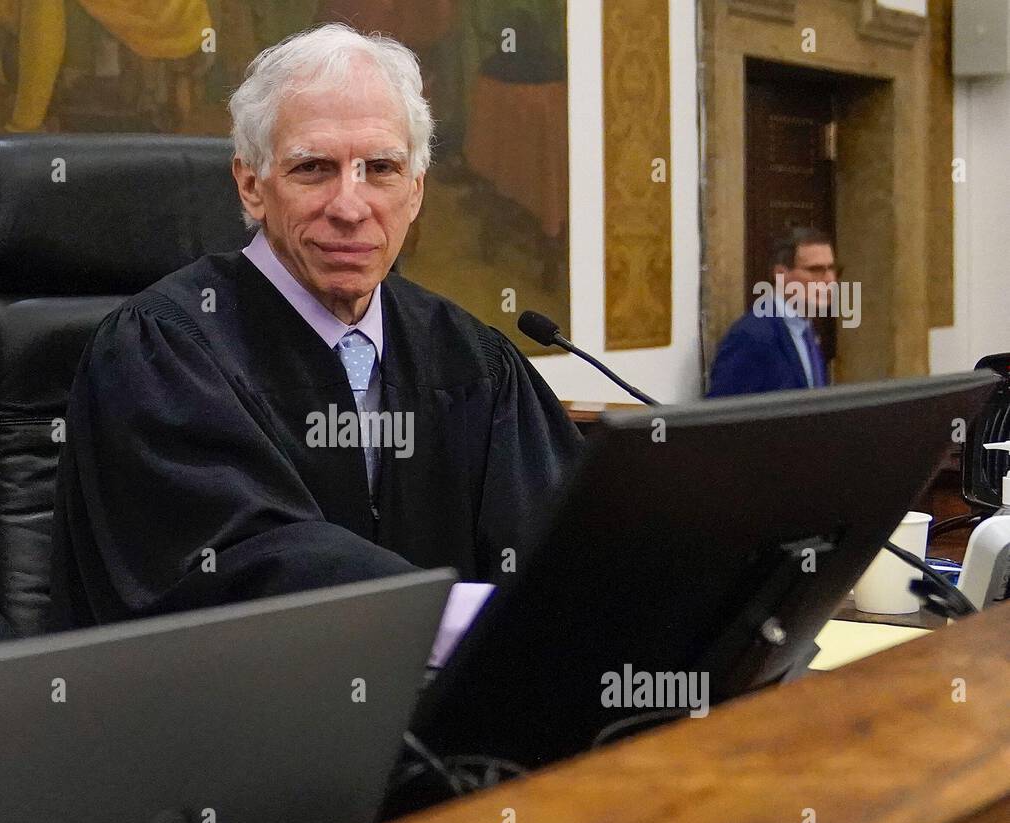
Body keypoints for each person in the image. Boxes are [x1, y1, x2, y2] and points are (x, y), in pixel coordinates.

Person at [47, 22, 582, 629]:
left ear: (415, 192)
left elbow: (561, 548)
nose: (350, 207)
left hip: (447, 710)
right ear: (251, 185)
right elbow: (242, 571)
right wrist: (464, 620)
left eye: (381, 168)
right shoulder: (158, 352)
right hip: (248, 713)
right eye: (314, 168)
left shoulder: (472, 360)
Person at [707, 226, 836, 397]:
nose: (829, 279)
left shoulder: (805, 329)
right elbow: (723, 413)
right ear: (781, 275)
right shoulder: (751, 336)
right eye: (815, 270)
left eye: (832, 269)